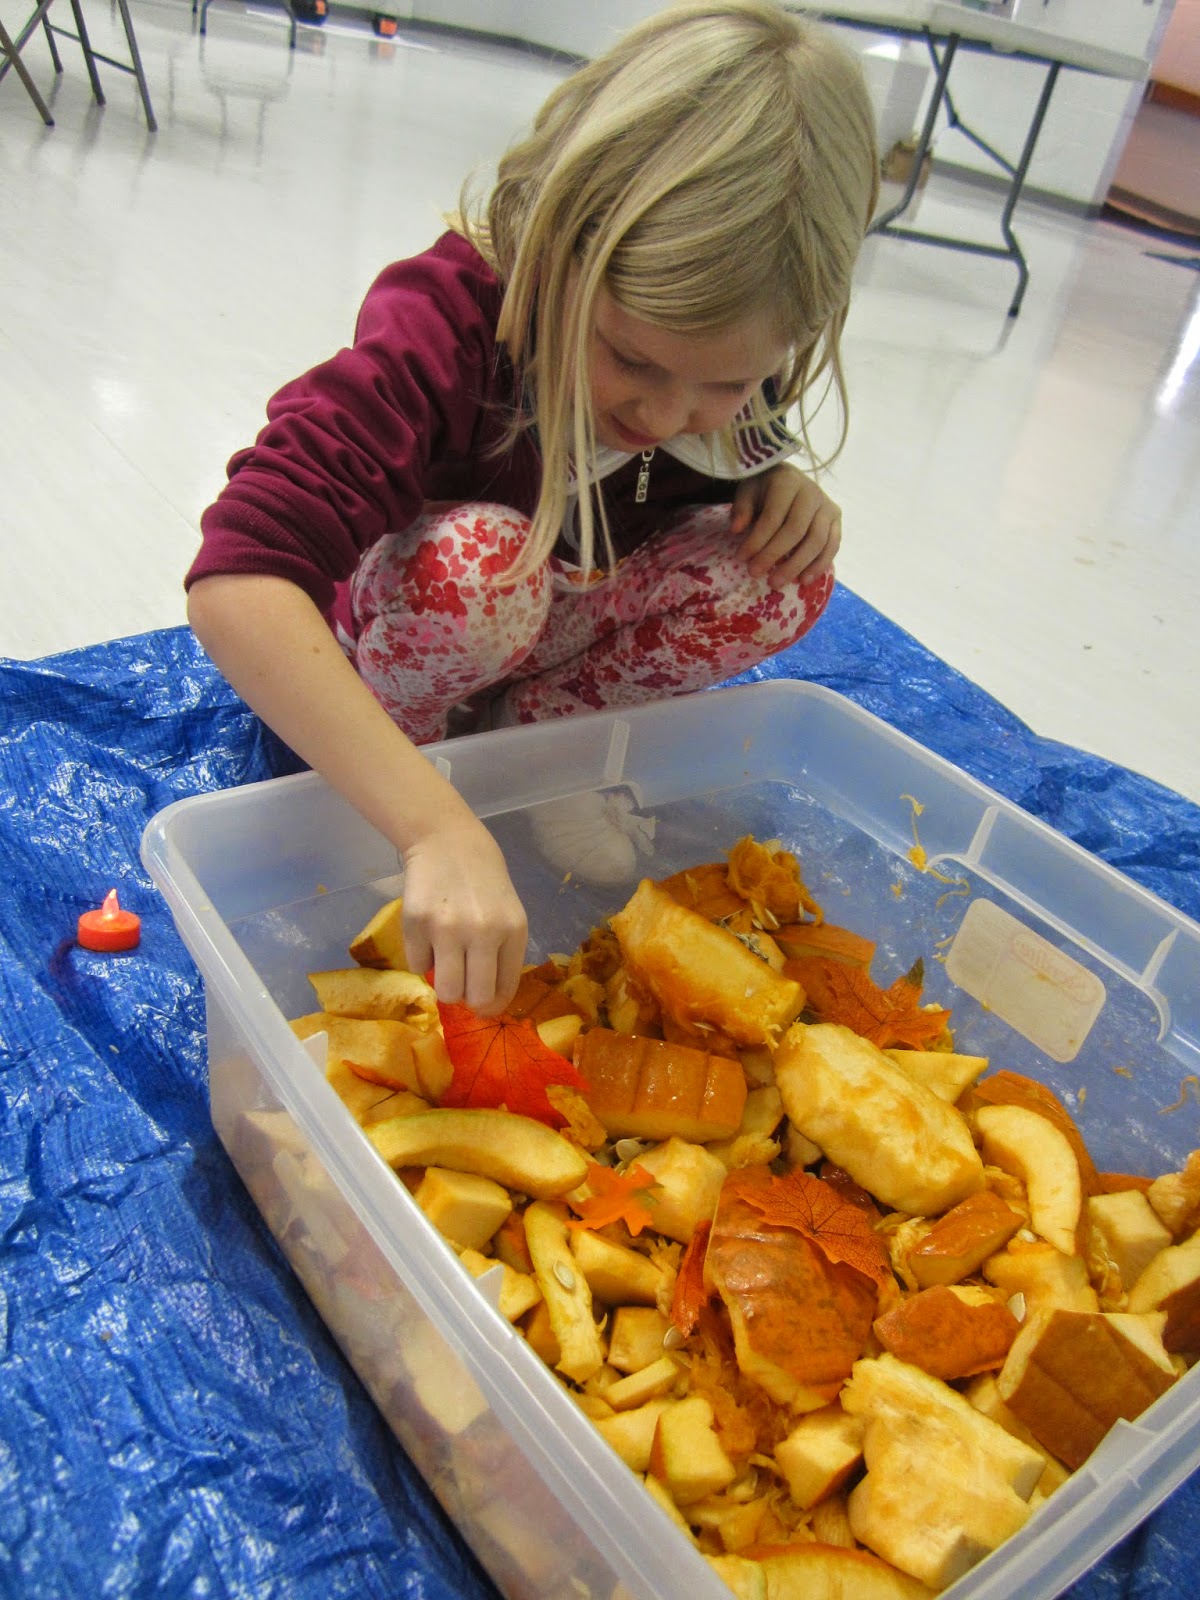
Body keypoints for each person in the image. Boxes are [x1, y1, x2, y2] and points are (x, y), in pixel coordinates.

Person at [185, 0, 879, 1018]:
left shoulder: (726, 358)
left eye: (725, 383)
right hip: (426, 627)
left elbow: (733, 434)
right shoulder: (449, 325)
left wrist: (778, 483)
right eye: (633, 359)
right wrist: (430, 825)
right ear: (557, 246)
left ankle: (549, 741)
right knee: (479, 563)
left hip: (555, 624)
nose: (667, 412)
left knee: (784, 570)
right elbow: (238, 579)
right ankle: (405, 760)